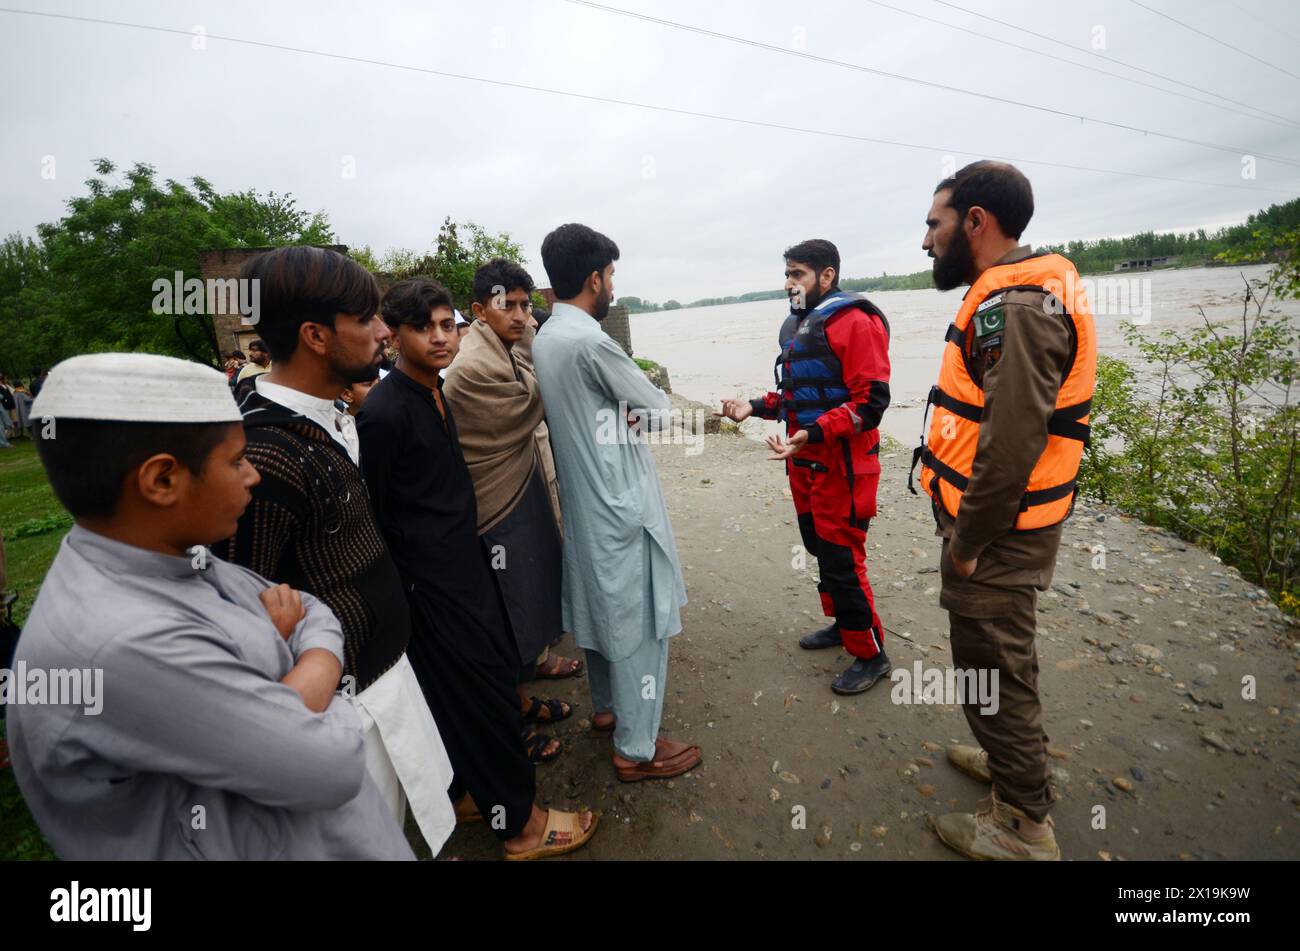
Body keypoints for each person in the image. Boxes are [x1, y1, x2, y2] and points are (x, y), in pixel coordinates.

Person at [8, 352, 413, 859]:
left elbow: (312, 610)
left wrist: (285, 687)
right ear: (161, 481)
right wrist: (309, 664)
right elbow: (327, 766)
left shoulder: (172, 553)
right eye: (236, 460)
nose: (253, 477)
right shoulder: (122, 643)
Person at [222, 247, 456, 858]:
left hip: (384, 687)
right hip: (342, 718)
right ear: (315, 335)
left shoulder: (335, 417)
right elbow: (245, 614)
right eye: (368, 318)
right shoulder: (266, 455)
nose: (385, 331)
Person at [358, 277, 597, 859]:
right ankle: (523, 827)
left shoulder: (432, 392)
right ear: (395, 335)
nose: (441, 338)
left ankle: (466, 793)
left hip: (464, 567)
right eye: (424, 328)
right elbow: (380, 515)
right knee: (486, 699)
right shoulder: (386, 414)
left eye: (447, 326)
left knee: (466, 696)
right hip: (433, 587)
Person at [912, 160, 1096, 861]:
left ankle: (1024, 827)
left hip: (996, 533)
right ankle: (1010, 759)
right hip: (1002, 528)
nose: (927, 241)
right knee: (996, 656)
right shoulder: (1018, 291)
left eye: (936, 223)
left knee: (996, 660)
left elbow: (1012, 440)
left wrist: (966, 543)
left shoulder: (1017, 303)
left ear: (977, 222)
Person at [532, 223, 701, 782]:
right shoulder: (591, 342)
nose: (612, 288)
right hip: (620, 504)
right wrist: (641, 412)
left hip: (588, 501)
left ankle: (608, 709)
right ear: (593, 279)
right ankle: (635, 747)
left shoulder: (548, 337)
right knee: (639, 624)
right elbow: (658, 407)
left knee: (603, 612)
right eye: (610, 277)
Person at [718, 239, 893, 695]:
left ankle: (871, 653)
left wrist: (815, 434)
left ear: (827, 275)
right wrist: (751, 407)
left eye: (797, 274)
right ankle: (842, 625)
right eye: (787, 275)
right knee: (819, 549)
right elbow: (795, 398)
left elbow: (871, 403)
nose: (788, 284)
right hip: (804, 463)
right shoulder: (799, 326)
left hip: (845, 465)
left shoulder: (857, 321)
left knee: (842, 559)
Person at [443, 258, 583, 762]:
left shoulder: (504, 346)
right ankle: (513, 713)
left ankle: (530, 679)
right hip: (496, 503)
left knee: (537, 589)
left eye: (527, 305)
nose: (522, 315)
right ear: (480, 310)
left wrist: (530, 331)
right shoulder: (471, 368)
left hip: (525, 488)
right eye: (509, 306)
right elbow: (532, 405)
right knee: (510, 609)